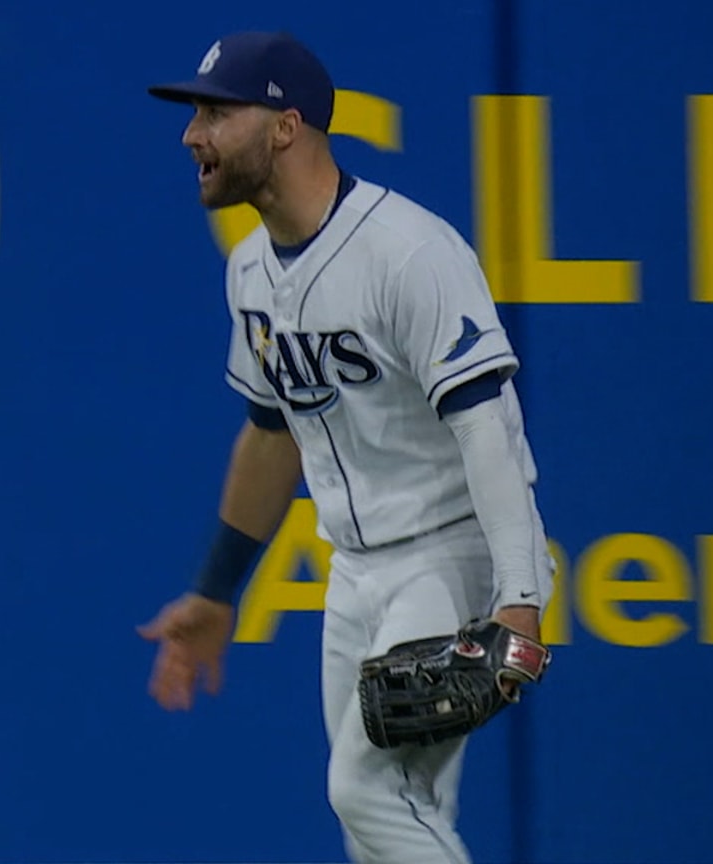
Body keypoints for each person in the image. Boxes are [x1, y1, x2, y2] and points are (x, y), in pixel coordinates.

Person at [137, 30, 557, 864]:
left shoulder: (408, 252)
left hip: (452, 554)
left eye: (216, 113)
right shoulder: (251, 270)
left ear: (285, 127)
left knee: (365, 790)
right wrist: (217, 592)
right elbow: (270, 438)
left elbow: (489, 429)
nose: (193, 135)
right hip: (356, 571)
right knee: (382, 828)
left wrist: (516, 601)